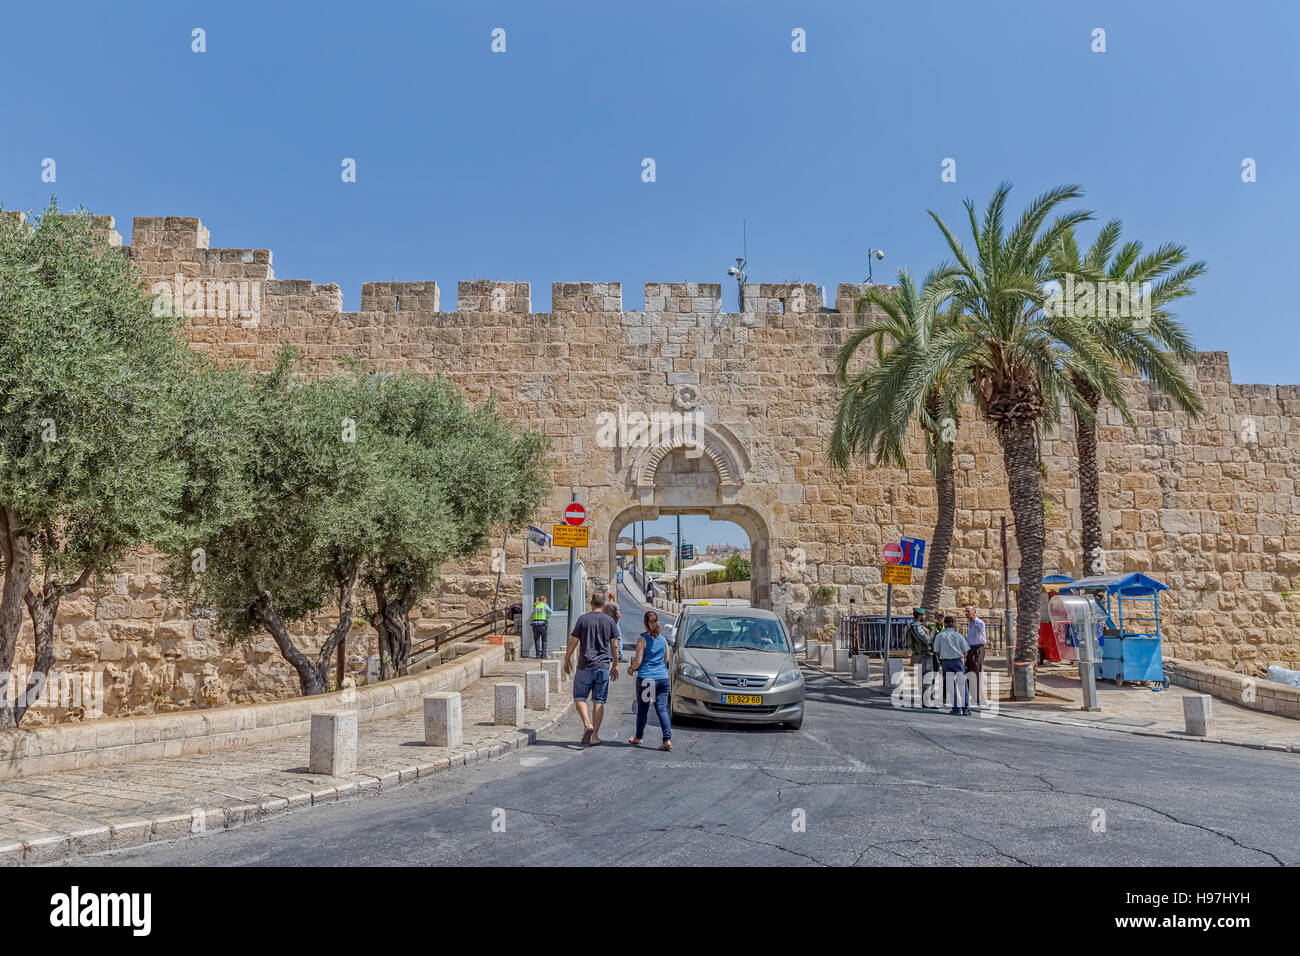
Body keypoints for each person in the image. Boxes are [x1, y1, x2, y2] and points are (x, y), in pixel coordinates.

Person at [564, 592, 620, 746]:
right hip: (602, 666)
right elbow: (614, 645)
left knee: (579, 697)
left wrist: (566, 658)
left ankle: (587, 724)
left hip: (584, 665)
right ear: (604, 605)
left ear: (591, 603)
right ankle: (595, 736)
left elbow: (574, 641)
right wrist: (615, 664)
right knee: (599, 700)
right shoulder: (610, 621)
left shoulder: (583, 619)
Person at [627, 610, 672, 751]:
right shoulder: (663, 640)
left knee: (643, 710)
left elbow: (638, 660)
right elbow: (667, 660)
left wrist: (631, 669)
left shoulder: (642, 639)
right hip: (663, 678)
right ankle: (667, 739)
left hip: (647, 679)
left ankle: (638, 737)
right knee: (662, 709)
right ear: (657, 622)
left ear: (645, 623)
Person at [934, 615, 972, 715]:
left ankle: (956, 708)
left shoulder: (939, 636)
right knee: (963, 686)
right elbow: (965, 650)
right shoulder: (959, 636)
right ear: (953, 625)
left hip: (946, 662)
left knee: (951, 686)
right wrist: (963, 658)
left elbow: (936, 650)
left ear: (944, 624)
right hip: (958, 662)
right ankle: (966, 709)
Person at [907, 608, 937, 708]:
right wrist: (932, 631)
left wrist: (926, 627)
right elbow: (927, 639)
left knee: (923, 678)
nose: (925, 617)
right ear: (920, 616)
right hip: (925, 655)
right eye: (923, 615)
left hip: (922, 654)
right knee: (927, 678)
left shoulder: (917, 626)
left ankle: (924, 700)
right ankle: (926, 701)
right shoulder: (917, 627)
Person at [964, 604, 987, 707]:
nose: (966, 613)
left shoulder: (979, 622)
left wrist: (973, 620)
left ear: (974, 613)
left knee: (976, 672)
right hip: (970, 648)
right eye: (966, 611)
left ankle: (979, 698)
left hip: (978, 648)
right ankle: (973, 696)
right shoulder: (969, 623)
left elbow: (981, 629)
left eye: (968, 611)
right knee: (970, 672)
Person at [529, 595, 553, 659]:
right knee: (544, 640)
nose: (546, 602)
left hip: (535, 625)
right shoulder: (545, 605)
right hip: (542, 624)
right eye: (546, 600)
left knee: (537, 640)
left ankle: (538, 655)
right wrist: (546, 619)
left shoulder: (536, 605)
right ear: (543, 600)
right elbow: (550, 612)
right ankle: (543, 655)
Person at [605, 589, 625, 663]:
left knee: (608, 640)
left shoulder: (606, 604)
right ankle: (620, 656)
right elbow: (618, 615)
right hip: (615, 624)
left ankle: (609, 656)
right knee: (618, 639)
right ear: (614, 596)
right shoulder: (615, 604)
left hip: (607, 624)